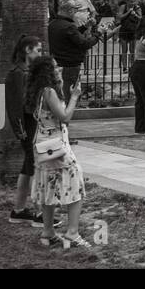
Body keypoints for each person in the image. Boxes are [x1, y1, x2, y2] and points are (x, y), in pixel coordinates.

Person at [25, 55, 90, 249]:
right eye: (55, 67)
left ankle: (48, 233)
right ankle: (72, 233)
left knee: (48, 186)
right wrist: (75, 97)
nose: (58, 68)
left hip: (43, 146)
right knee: (75, 182)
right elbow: (64, 117)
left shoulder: (37, 92)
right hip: (57, 146)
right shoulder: (49, 92)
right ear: (47, 72)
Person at [7, 35, 48, 225]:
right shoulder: (18, 73)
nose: (40, 53)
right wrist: (20, 129)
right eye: (38, 50)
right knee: (34, 167)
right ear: (27, 50)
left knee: (27, 167)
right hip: (27, 125)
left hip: (30, 123)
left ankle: (19, 209)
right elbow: (15, 105)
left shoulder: (25, 72)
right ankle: (40, 213)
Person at [47, 11, 97, 94]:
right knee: (71, 94)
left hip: (58, 64)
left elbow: (70, 35)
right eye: (74, 11)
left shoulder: (53, 24)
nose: (75, 14)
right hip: (70, 66)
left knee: (61, 91)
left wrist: (85, 26)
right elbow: (85, 44)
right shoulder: (69, 26)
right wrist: (98, 34)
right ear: (69, 11)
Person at [117, 0, 142, 71]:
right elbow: (119, 16)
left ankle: (132, 66)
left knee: (132, 50)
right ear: (127, 1)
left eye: (134, 1)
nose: (132, 3)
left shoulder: (137, 8)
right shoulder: (123, 7)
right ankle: (124, 67)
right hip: (124, 30)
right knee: (124, 50)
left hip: (133, 30)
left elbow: (140, 18)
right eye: (131, 1)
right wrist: (128, 12)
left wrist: (135, 15)